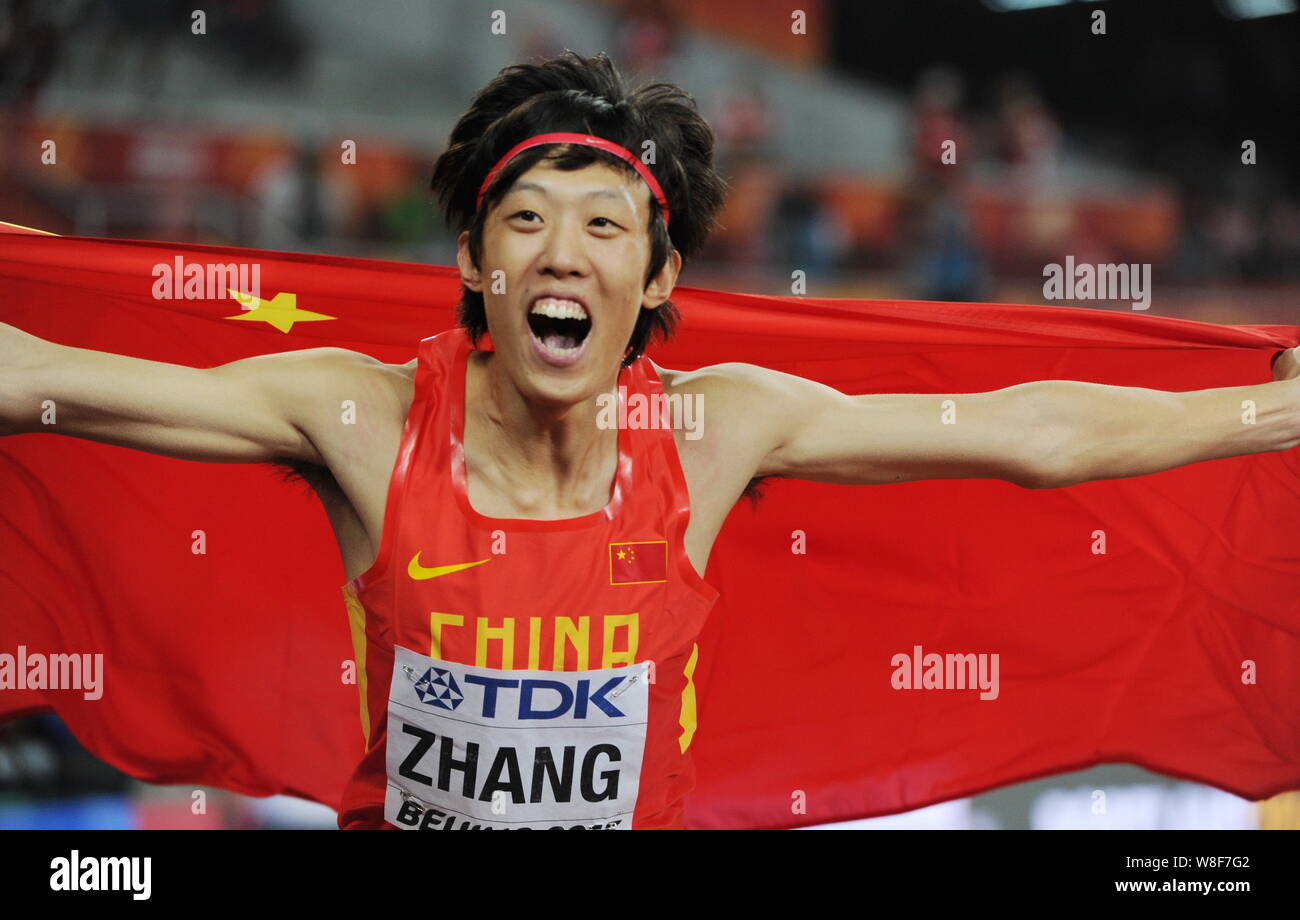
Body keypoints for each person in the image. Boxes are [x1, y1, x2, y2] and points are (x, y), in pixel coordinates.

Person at [2, 51, 1298, 830]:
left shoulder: (714, 423)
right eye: (525, 221)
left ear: (659, 279)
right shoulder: (364, 412)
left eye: (606, 226)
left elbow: (1032, 435)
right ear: (472, 258)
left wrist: (1274, 409)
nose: (562, 251)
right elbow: (53, 378)